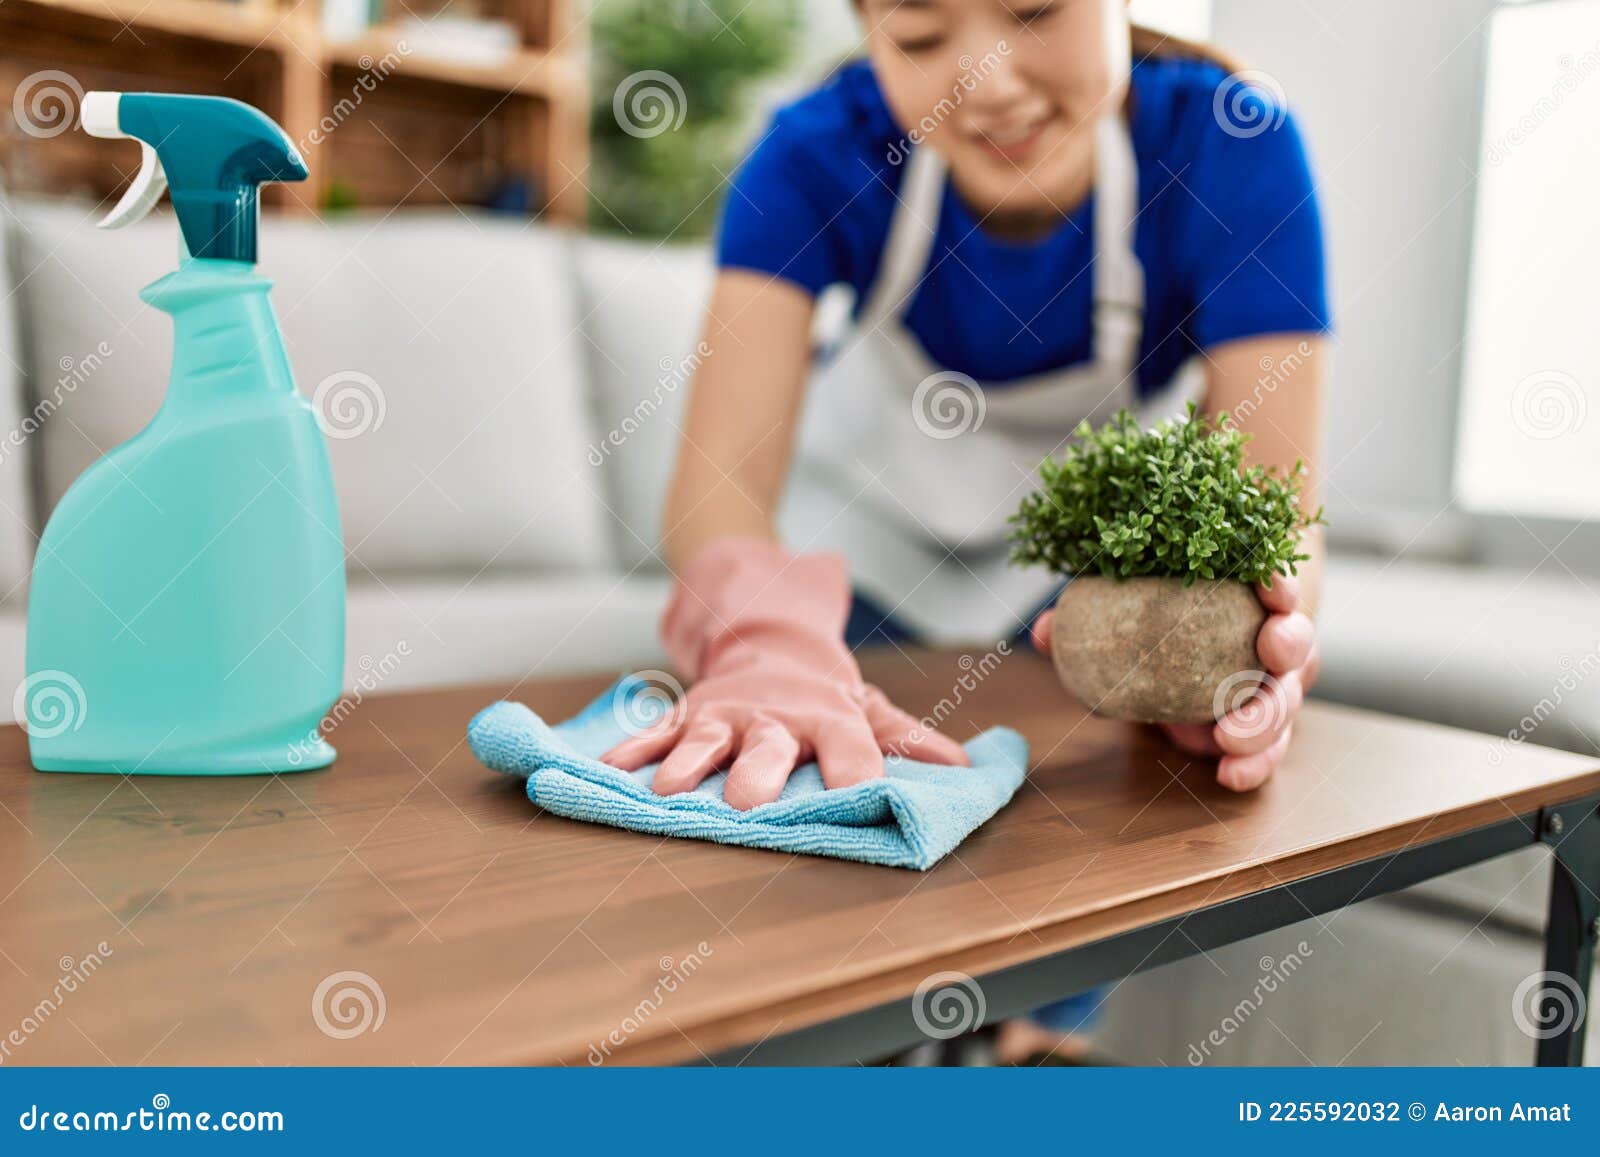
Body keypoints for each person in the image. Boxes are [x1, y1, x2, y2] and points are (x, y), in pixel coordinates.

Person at [602, 0, 1326, 1065]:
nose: (985, 82)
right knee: (821, 803)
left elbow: (1275, 508)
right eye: (922, 37)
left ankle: (1021, 1033)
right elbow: (715, 496)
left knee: (1076, 815)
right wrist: (763, 641)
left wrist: (1248, 648)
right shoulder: (814, 150)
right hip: (851, 570)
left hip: (1061, 594)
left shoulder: (1234, 145)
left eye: (1033, 10)